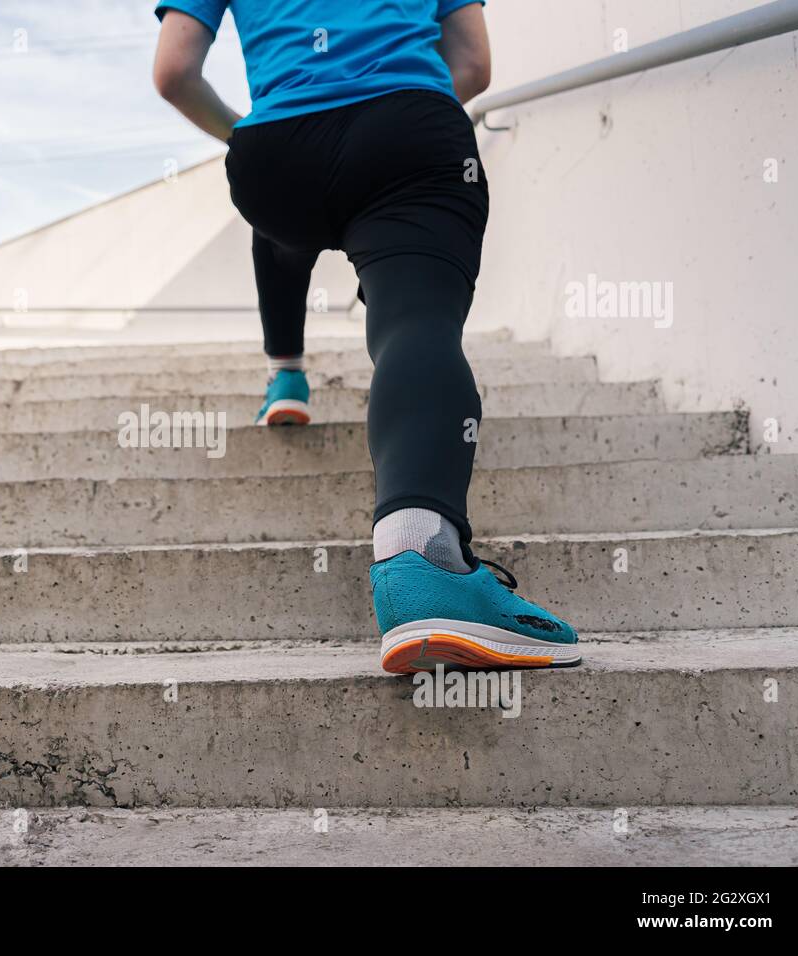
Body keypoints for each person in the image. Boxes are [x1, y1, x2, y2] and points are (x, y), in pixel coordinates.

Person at [152, 0, 580, 671]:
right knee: (415, 322)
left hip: (277, 153)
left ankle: (286, 373)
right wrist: (399, 107)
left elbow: (174, 71)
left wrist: (252, 134)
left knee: (287, 214)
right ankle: (421, 562)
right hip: (410, 129)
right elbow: (473, 62)